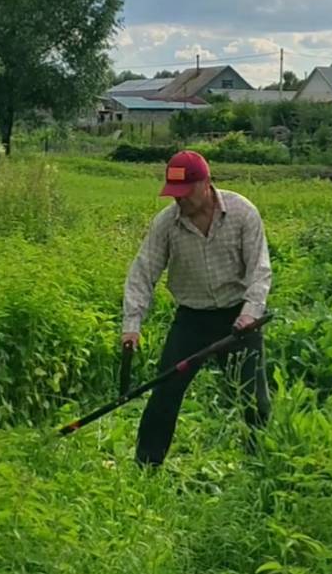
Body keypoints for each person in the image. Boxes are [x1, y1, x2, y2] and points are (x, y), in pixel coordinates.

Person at [122, 149, 273, 467]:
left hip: (238, 319)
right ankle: (146, 467)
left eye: (185, 192)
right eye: (173, 193)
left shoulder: (242, 213)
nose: (179, 200)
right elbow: (143, 272)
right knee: (164, 395)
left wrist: (250, 313)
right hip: (191, 320)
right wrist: (132, 325)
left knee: (253, 401)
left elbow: (259, 271)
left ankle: (259, 466)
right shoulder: (166, 224)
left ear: (205, 183)